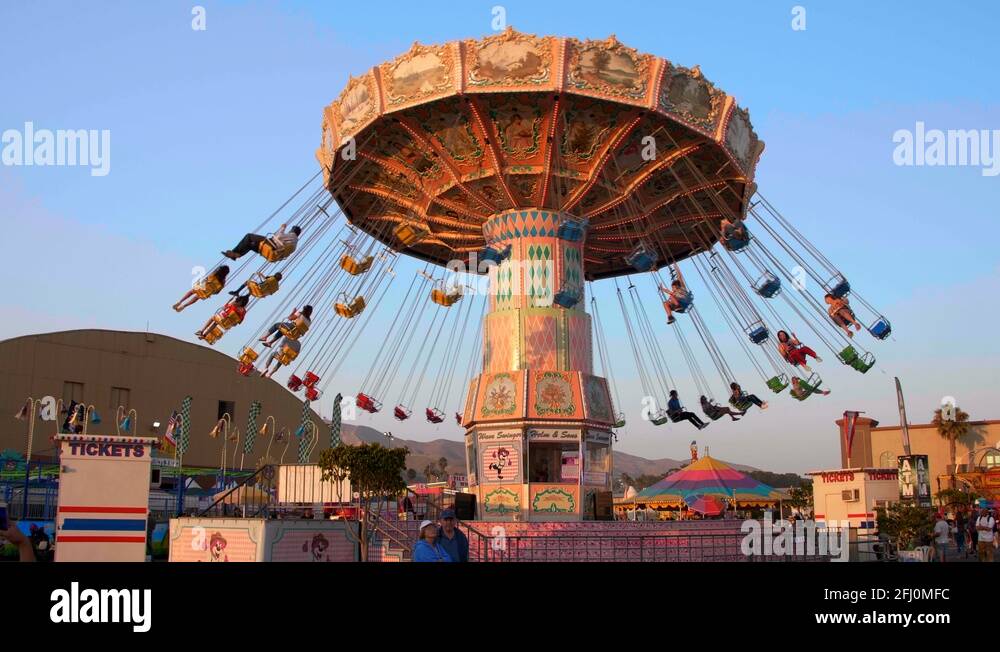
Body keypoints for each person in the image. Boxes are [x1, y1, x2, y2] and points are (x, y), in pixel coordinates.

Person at [223, 223, 301, 261]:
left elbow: (279, 236)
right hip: (272, 254)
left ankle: (234, 252)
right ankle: (237, 254)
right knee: (250, 245)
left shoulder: (292, 235)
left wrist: (282, 228)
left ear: (293, 230)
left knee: (249, 236)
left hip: (270, 244)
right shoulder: (294, 246)